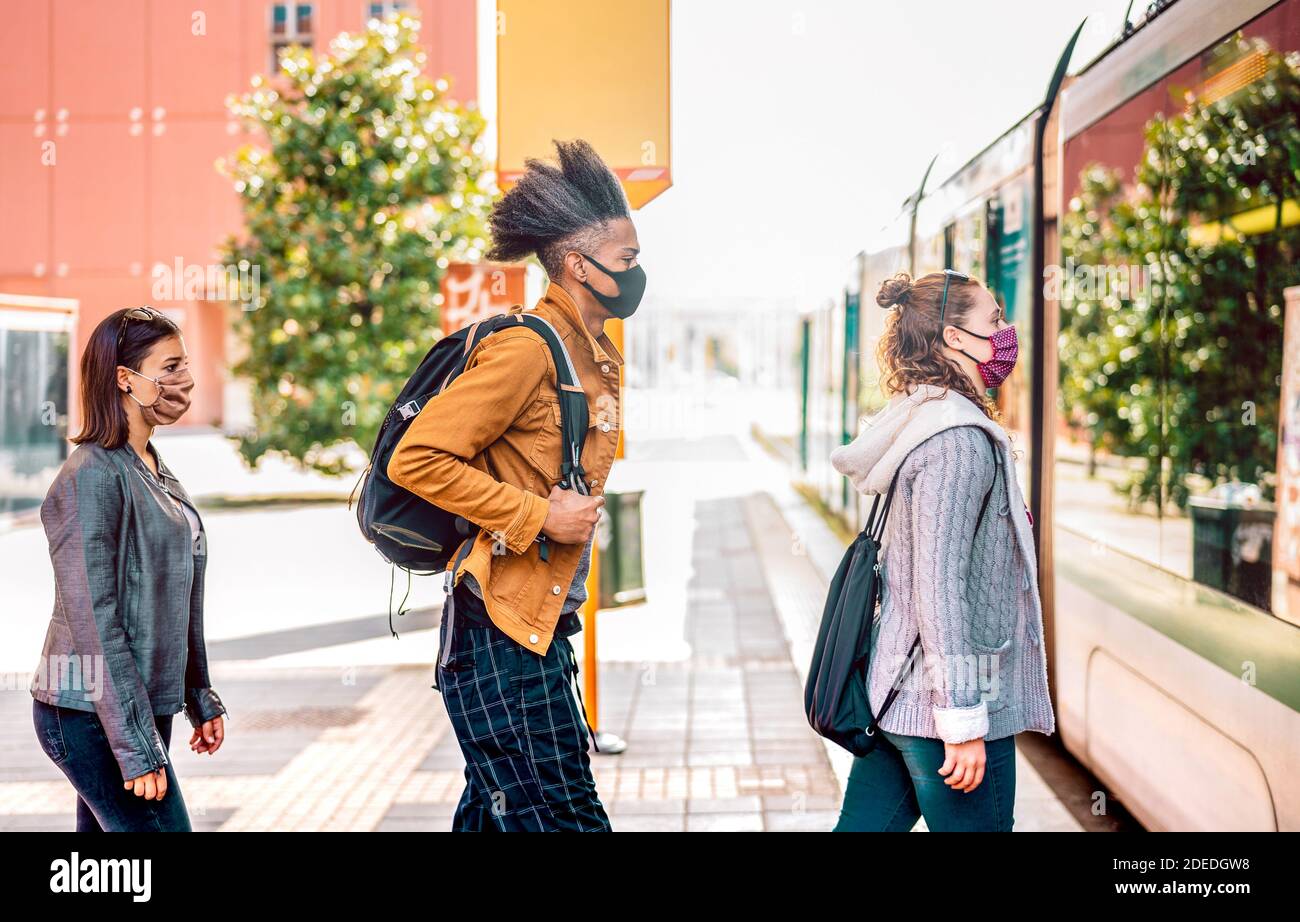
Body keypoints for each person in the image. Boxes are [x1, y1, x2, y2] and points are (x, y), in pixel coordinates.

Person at [387, 139, 642, 831]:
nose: (637, 272)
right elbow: (418, 458)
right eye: (626, 260)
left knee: (495, 817)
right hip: (501, 636)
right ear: (574, 265)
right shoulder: (527, 348)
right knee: (568, 821)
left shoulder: (597, 357)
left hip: (540, 628)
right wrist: (537, 516)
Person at [827, 270, 1055, 832]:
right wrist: (963, 722)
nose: (1006, 333)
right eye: (994, 320)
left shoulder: (925, 419)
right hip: (944, 711)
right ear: (955, 338)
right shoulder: (957, 441)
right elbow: (939, 587)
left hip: (900, 697)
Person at [30, 305, 228, 831]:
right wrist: (136, 745)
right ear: (125, 379)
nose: (183, 379)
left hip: (133, 706)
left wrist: (197, 694)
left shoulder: (154, 467)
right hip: (87, 713)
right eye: (169, 367)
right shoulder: (91, 476)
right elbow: (94, 619)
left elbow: (175, 594)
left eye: (184, 364)